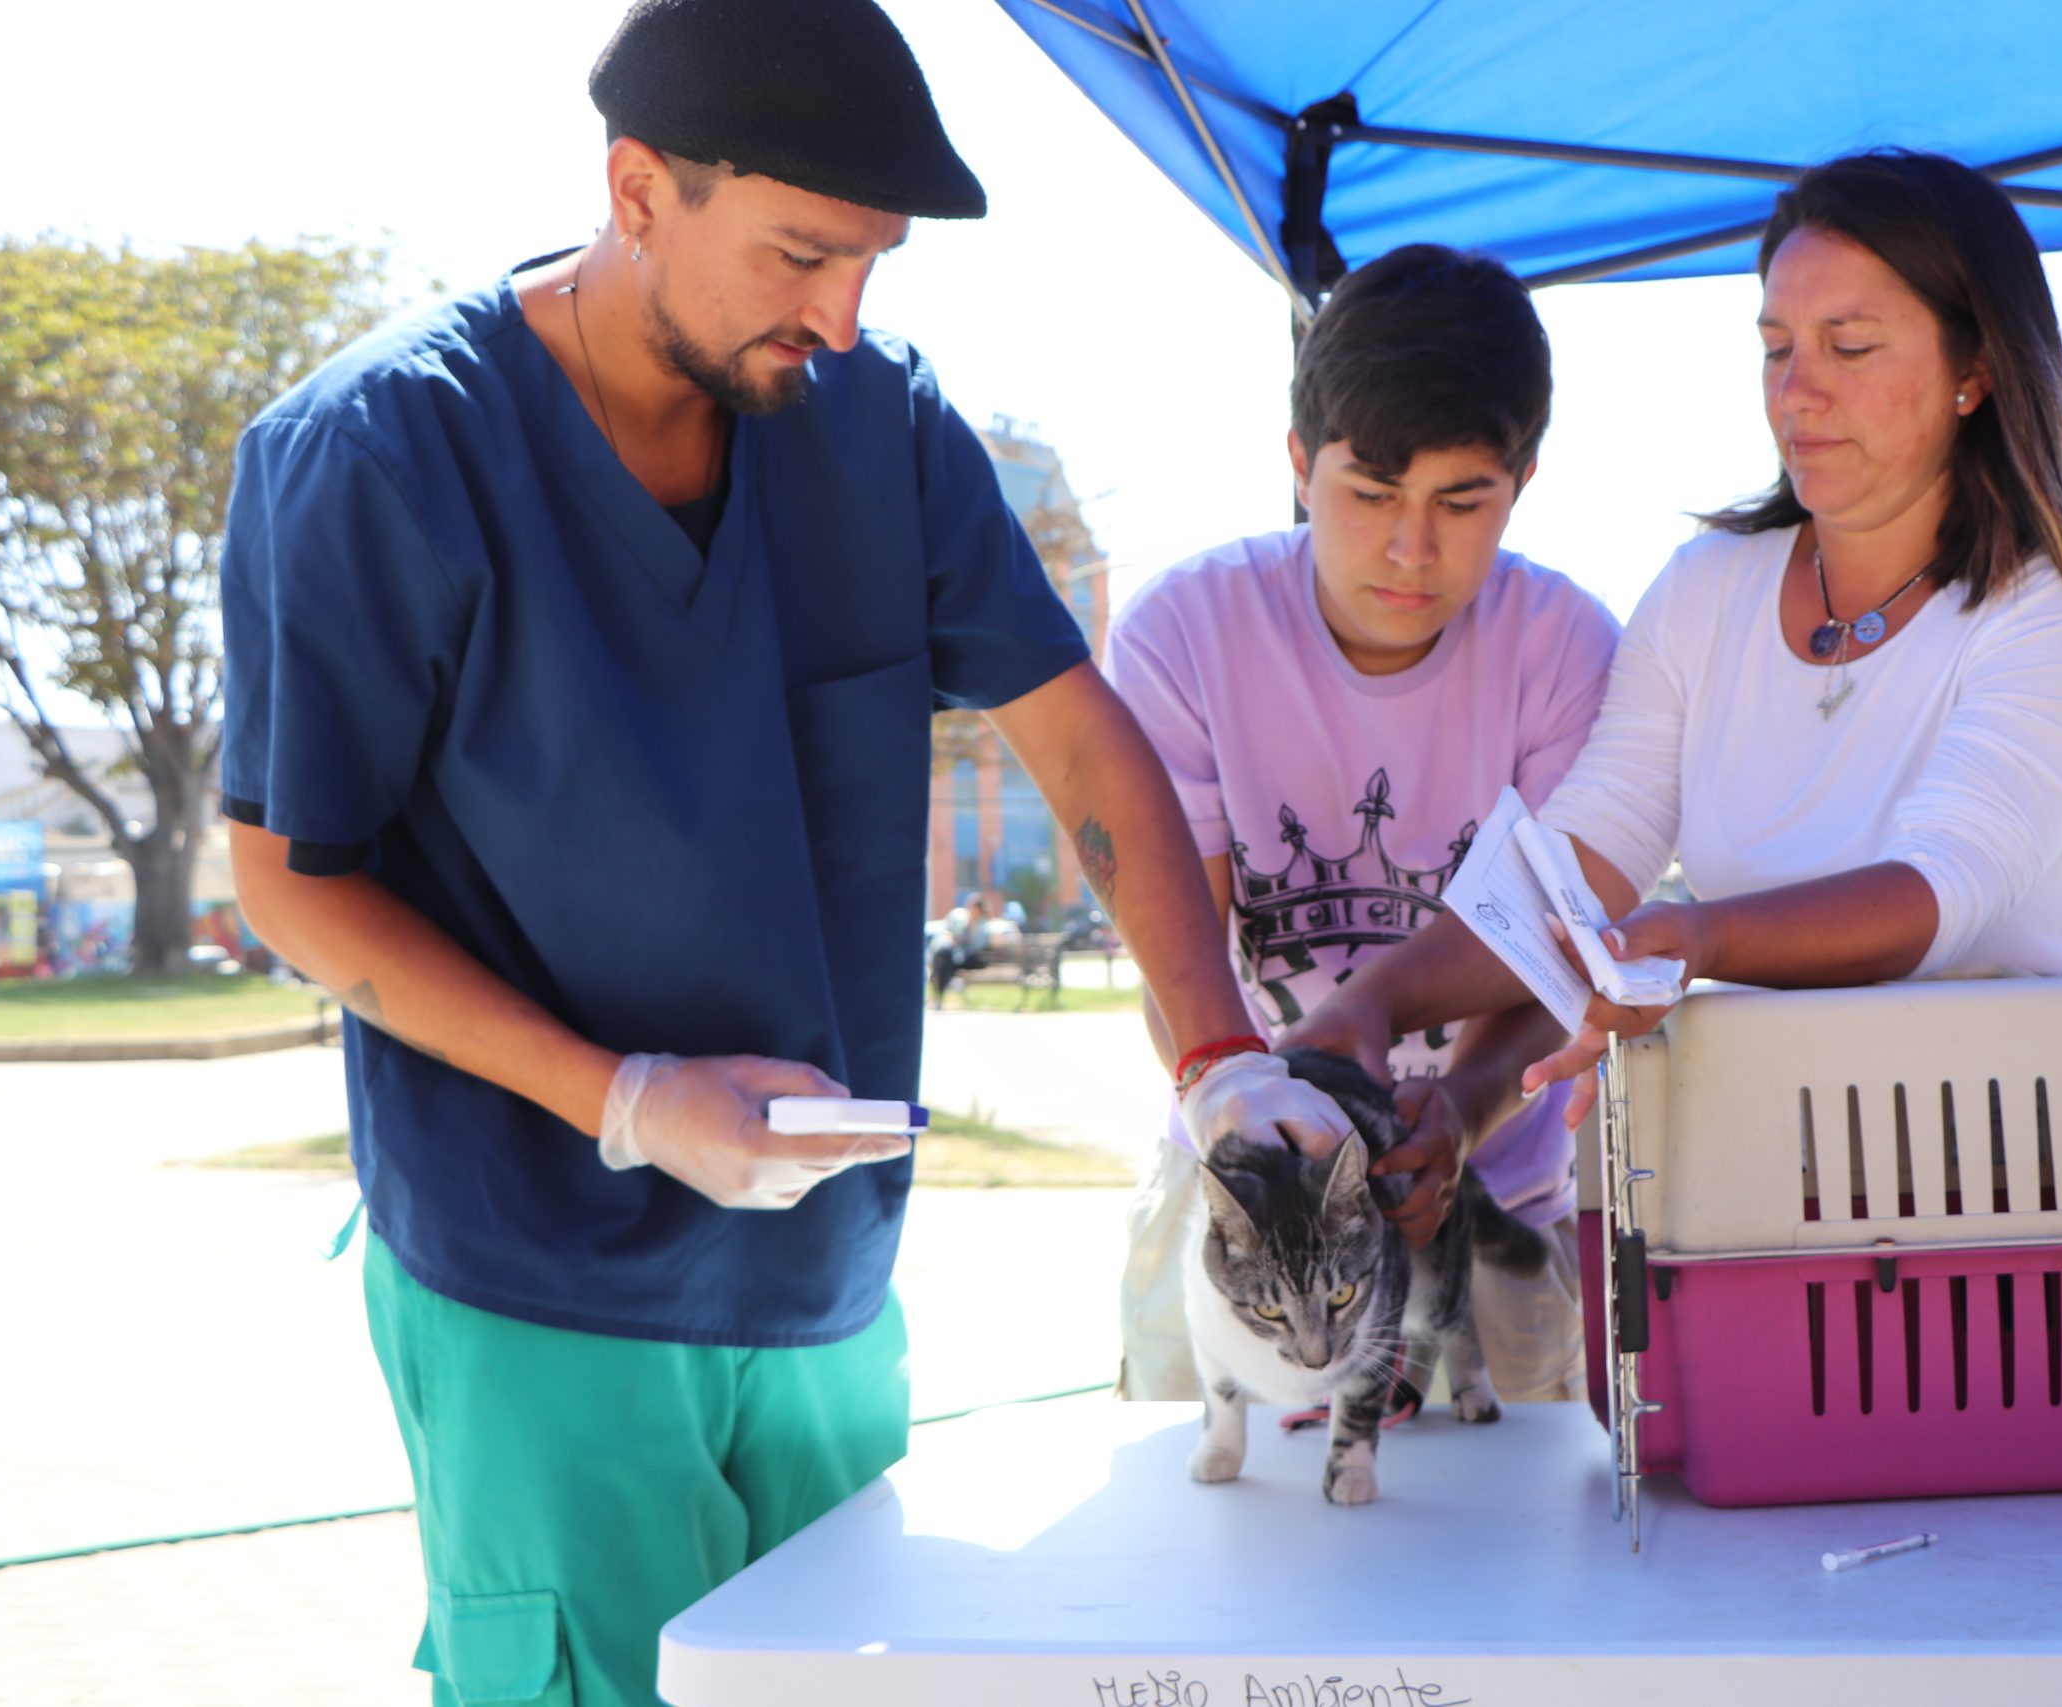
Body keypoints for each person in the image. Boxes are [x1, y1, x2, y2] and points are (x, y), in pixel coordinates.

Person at [217, 4, 1350, 1703]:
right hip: (536, 1277)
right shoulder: (382, 452)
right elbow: (288, 877)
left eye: (873, 264)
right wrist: (620, 1095)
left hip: (821, 1268)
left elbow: (1079, 744)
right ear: (640, 187)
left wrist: (1219, 1065)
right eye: (804, 253)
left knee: (843, 1685)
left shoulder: (874, 423)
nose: (842, 310)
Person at [1288, 149, 2062, 1118]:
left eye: (1850, 345)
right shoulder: (1704, 589)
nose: (1795, 391)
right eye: (1777, 345)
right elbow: (1584, 859)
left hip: (2057, 1176)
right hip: (1784, 1169)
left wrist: (1695, 940)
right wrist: (1369, 1008)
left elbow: (1938, 894)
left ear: (1975, 370)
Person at [1109, 244, 1621, 1406]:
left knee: (1513, 1579)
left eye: (1460, 501)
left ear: (1524, 479)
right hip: (1242, 1225)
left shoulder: (1570, 651)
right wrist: (1243, 1109)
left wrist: (1467, 1111)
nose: (1410, 548)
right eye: (1370, 493)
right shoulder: (1179, 635)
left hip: (1495, 1217)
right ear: (1298, 462)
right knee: (1206, 1574)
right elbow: (1173, 939)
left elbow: (1558, 947)